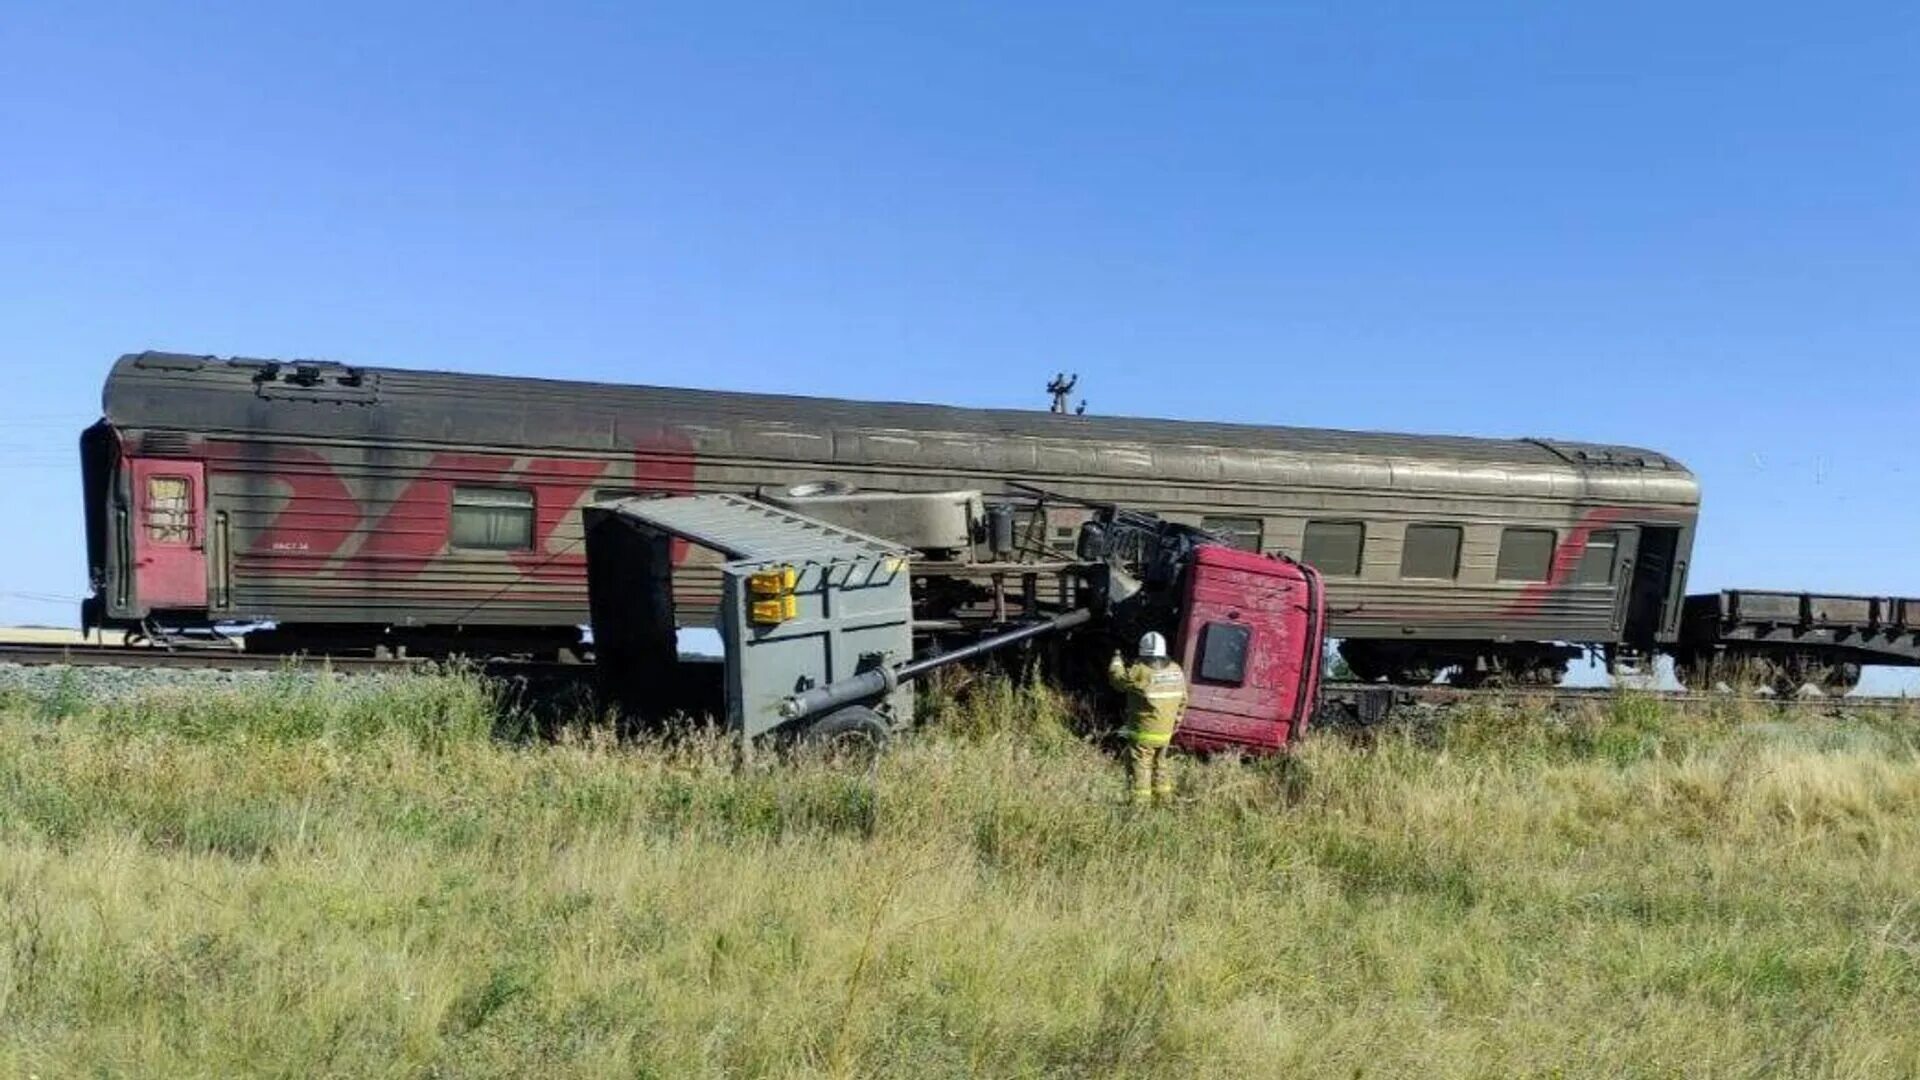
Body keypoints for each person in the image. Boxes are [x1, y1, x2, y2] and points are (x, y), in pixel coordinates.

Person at [1108, 630, 1189, 805]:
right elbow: (1183, 700)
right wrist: (1176, 723)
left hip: (1144, 732)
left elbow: (1118, 681)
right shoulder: (1176, 670)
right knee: (1160, 764)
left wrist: (1116, 660)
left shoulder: (1141, 671)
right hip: (1166, 732)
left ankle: (1140, 806)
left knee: (1141, 767)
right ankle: (1164, 801)